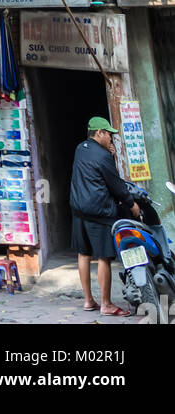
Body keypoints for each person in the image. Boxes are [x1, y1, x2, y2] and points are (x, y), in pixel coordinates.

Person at [69, 114, 140, 317]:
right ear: (99, 133)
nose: (111, 138)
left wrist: (110, 155)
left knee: (83, 254)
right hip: (99, 212)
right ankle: (107, 304)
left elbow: (94, 171)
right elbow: (116, 185)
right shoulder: (103, 156)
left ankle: (88, 301)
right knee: (104, 257)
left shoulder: (80, 149)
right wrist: (132, 204)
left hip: (78, 209)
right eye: (108, 134)